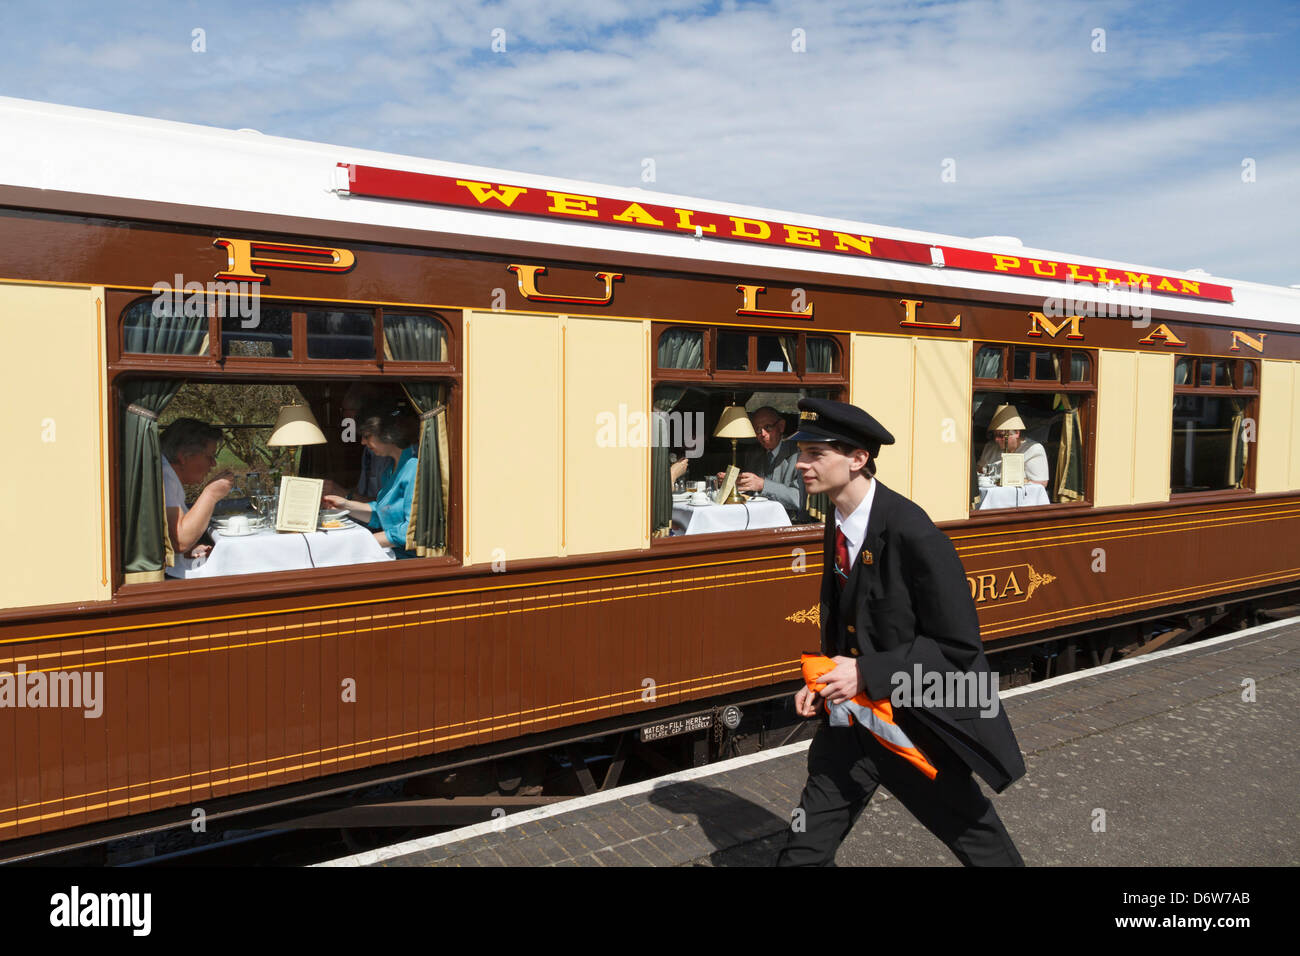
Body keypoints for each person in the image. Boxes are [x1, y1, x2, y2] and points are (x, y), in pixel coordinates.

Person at [776, 397, 1026, 867]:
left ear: (857, 459)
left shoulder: (915, 533)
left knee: (978, 840)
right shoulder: (837, 517)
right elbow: (852, 622)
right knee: (802, 851)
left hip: (909, 724)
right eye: (801, 452)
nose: (801, 464)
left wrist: (866, 672)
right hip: (849, 723)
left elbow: (958, 646)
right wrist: (828, 679)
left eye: (815, 454)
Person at [323, 402, 419, 558]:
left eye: (367, 436)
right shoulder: (391, 467)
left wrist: (362, 541)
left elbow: (411, 532)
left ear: (387, 434)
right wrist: (346, 505)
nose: (362, 442)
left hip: (408, 561)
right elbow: (382, 514)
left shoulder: (414, 467)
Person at [160, 418, 235, 564]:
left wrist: (190, 549)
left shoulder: (166, 473)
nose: (213, 464)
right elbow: (179, 541)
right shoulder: (165, 478)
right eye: (209, 456)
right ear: (184, 457)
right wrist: (210, 494)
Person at [716, 406, 804, 517]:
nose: (762, 434)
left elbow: (799, 499)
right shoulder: (753, 454)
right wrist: (733, 482)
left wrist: (763, 485)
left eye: (768, 427)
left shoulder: (798, 455)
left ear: (781, 426)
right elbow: (750, 491)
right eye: (757, 429)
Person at [975, 404, 1049, 488]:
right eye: (994, 435)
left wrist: (1017, 482)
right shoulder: (990, 447)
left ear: (1017, 433)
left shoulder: (1033, 450)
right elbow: (979, 471)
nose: (996, 439)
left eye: (1001, 435)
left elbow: (1041, 484)